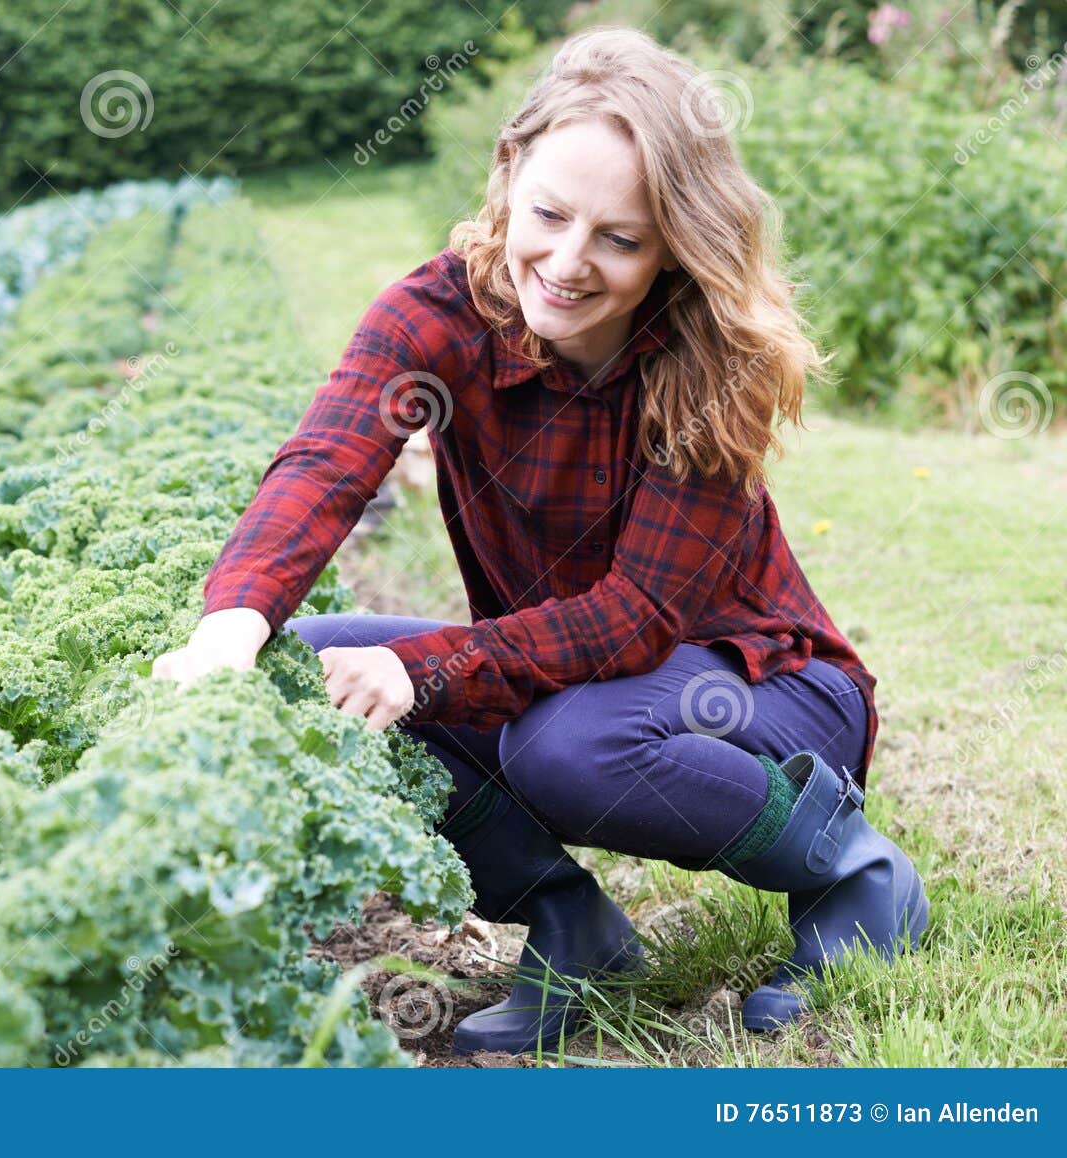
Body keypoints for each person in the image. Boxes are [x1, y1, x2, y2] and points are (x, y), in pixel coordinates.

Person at [151, 26, 928, 1055]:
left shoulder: (706, 363)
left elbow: (633, 619)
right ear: (507, 174)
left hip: (768, 695)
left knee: (563, 744)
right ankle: (574, 924)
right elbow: (325, 464)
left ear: (672, 245)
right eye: (549, 216)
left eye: (619, 238)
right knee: (297, 671)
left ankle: (851, 869)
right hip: (575, 685)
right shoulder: (435, 316)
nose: (565, 262)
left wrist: (417, 668)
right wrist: (232, 625)